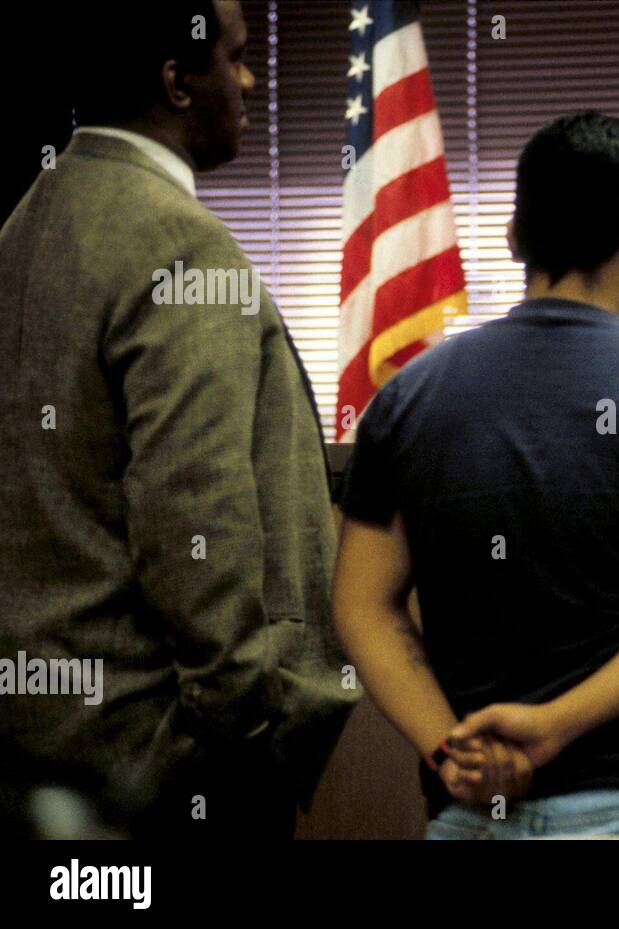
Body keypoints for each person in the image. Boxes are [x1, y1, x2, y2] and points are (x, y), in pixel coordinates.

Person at [333, 111, 619, 839]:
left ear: (516, 235)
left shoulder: (409, 399)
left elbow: (363, 606)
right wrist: (552, 727)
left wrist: (452, 750)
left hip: (468, 808)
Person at [0, 0, 357, 837]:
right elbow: (194, 516)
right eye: (235, 58)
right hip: (159, 776)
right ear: (177, 82)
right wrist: (247, 733)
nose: (251, 77)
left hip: (38, 759)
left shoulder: (18, 229)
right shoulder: (180, 244)